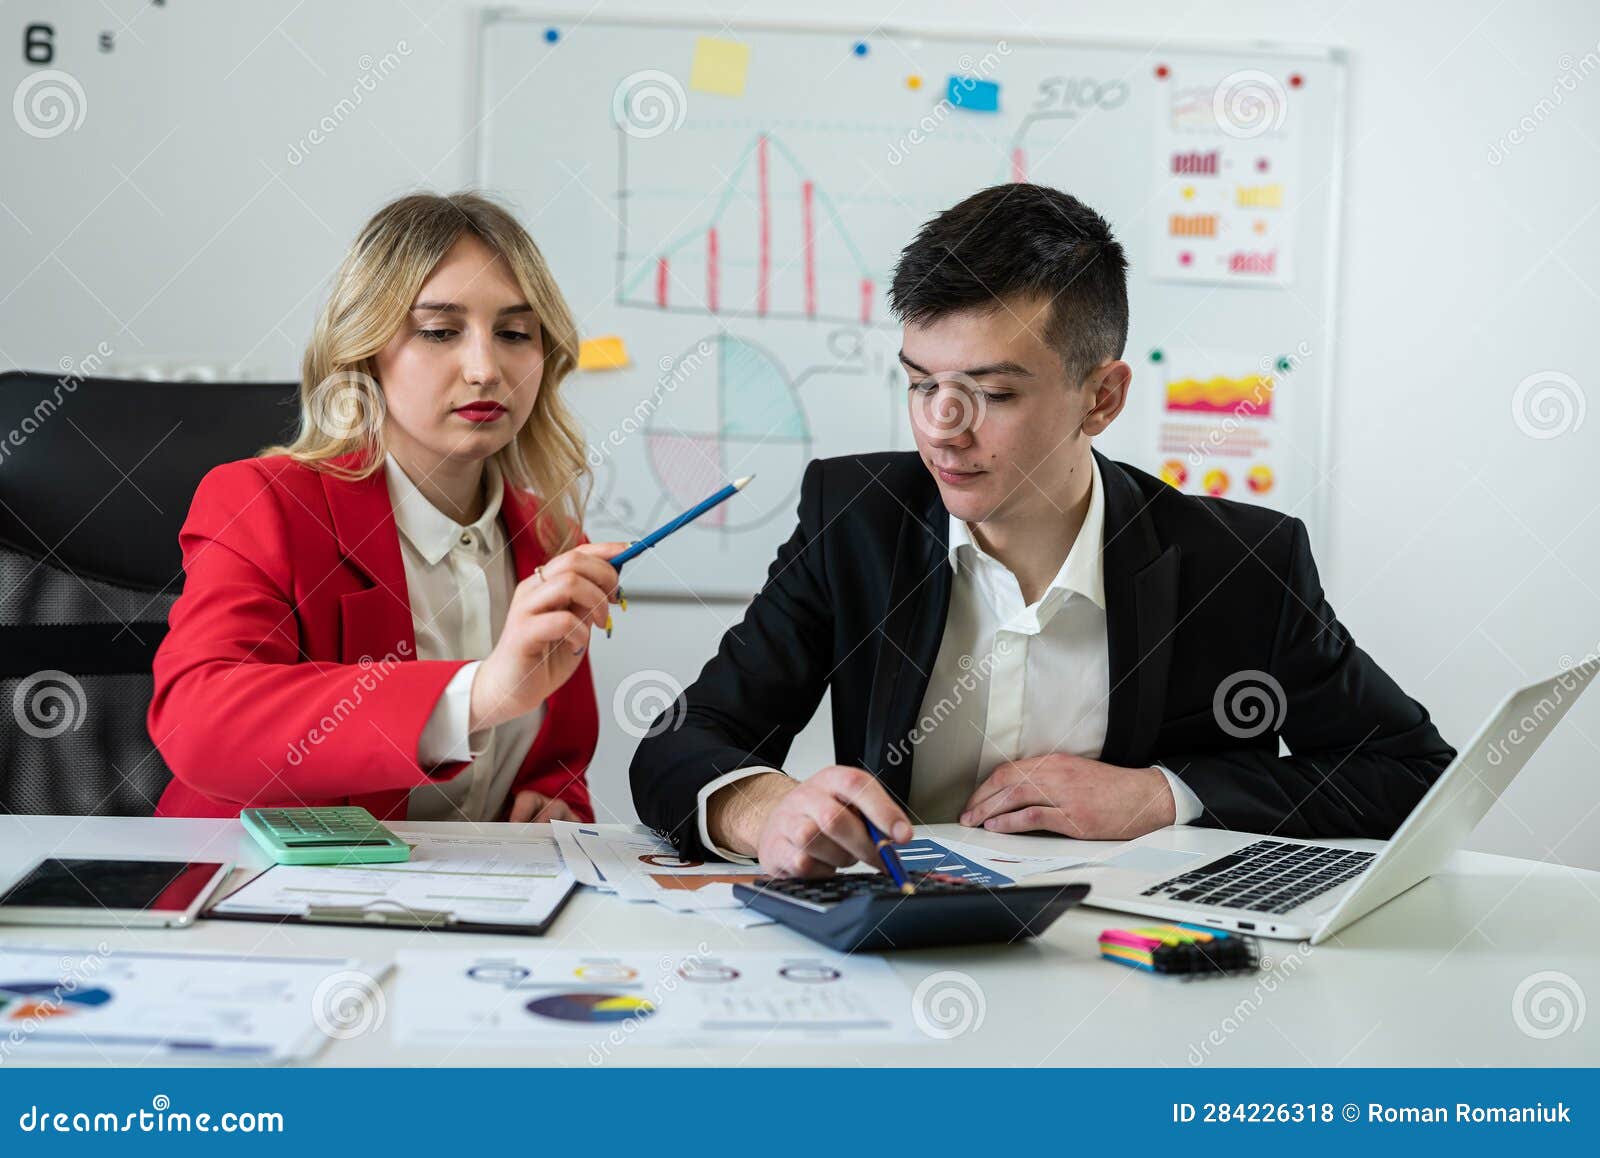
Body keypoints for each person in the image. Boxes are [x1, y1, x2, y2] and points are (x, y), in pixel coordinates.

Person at [630, 182, 1455, 876]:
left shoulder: (1240, 563)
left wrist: (1163, 795)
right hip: (896, 959)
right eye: (922, 384)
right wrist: (764, 808)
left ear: (1101, 397)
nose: (942, 428)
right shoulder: (855, 518)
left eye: (992, 392)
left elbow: (1413, 776)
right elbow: (680, 745)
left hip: (1128, 975)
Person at [149, 192, 624, 823]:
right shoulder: (260, 502)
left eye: (515, 333)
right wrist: (476, 695)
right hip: (260, 901)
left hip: (476, 904)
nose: (486, 369)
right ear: (365, 350)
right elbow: (201, 723)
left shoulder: (551, 534)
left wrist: (556, 804)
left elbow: (553, 761)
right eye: (438, 331)